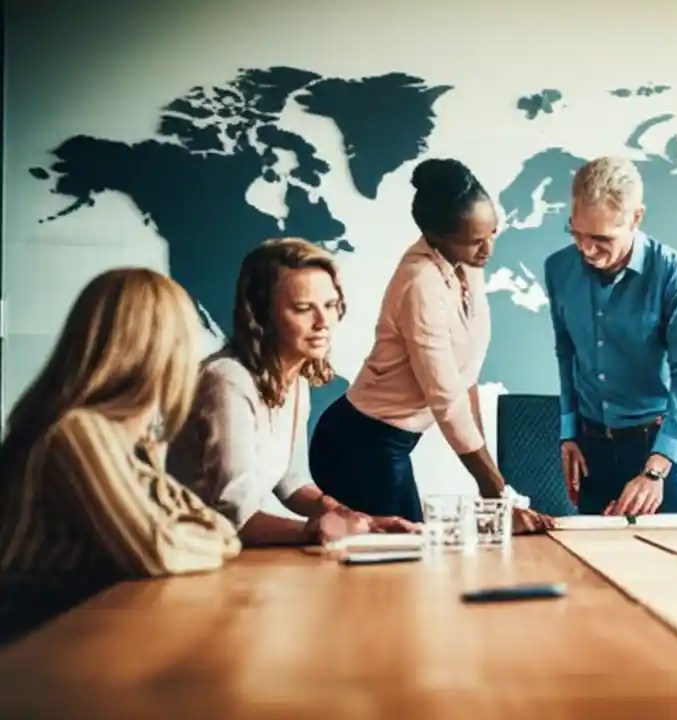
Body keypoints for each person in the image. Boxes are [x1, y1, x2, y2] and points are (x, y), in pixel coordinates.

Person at [309, 159, 553, 533]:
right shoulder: (420, 283)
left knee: (408, 560)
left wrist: (492, 492)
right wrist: (498, 495)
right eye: (475, 240)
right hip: (358, 445)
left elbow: (464, 375)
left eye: (492, 232)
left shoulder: (466, 264)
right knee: (403, 562)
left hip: (388, 445)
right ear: (434, 236)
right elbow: (446, 398)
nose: (488, 248)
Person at [0, 268, 240, 642]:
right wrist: (205, 541)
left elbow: (224, 532)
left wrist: (201, 536)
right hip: (35, 642)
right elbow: (157, 551)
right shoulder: (78, 431)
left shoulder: (135, 444)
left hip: (77, 627)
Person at [169, 239, 420, 545]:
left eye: (329, 306)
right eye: (303, 309)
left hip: (216, 552)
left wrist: (363, 522)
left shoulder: (296, 380)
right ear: (261, 316)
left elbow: (291, 481)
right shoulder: (226, 380)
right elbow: (236, 516)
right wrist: (316, 531)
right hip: (181, 553)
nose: (322, 322)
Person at [548, 156, 677, 516]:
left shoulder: (674, 274)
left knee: (675, 567)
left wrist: (656, 467)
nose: (587, 250)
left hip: (660, 447)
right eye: (577, 234)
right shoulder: (558, 269)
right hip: (592, 450)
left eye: (602, 239)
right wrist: (568, 433)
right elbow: (566, 352)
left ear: (636, 218)